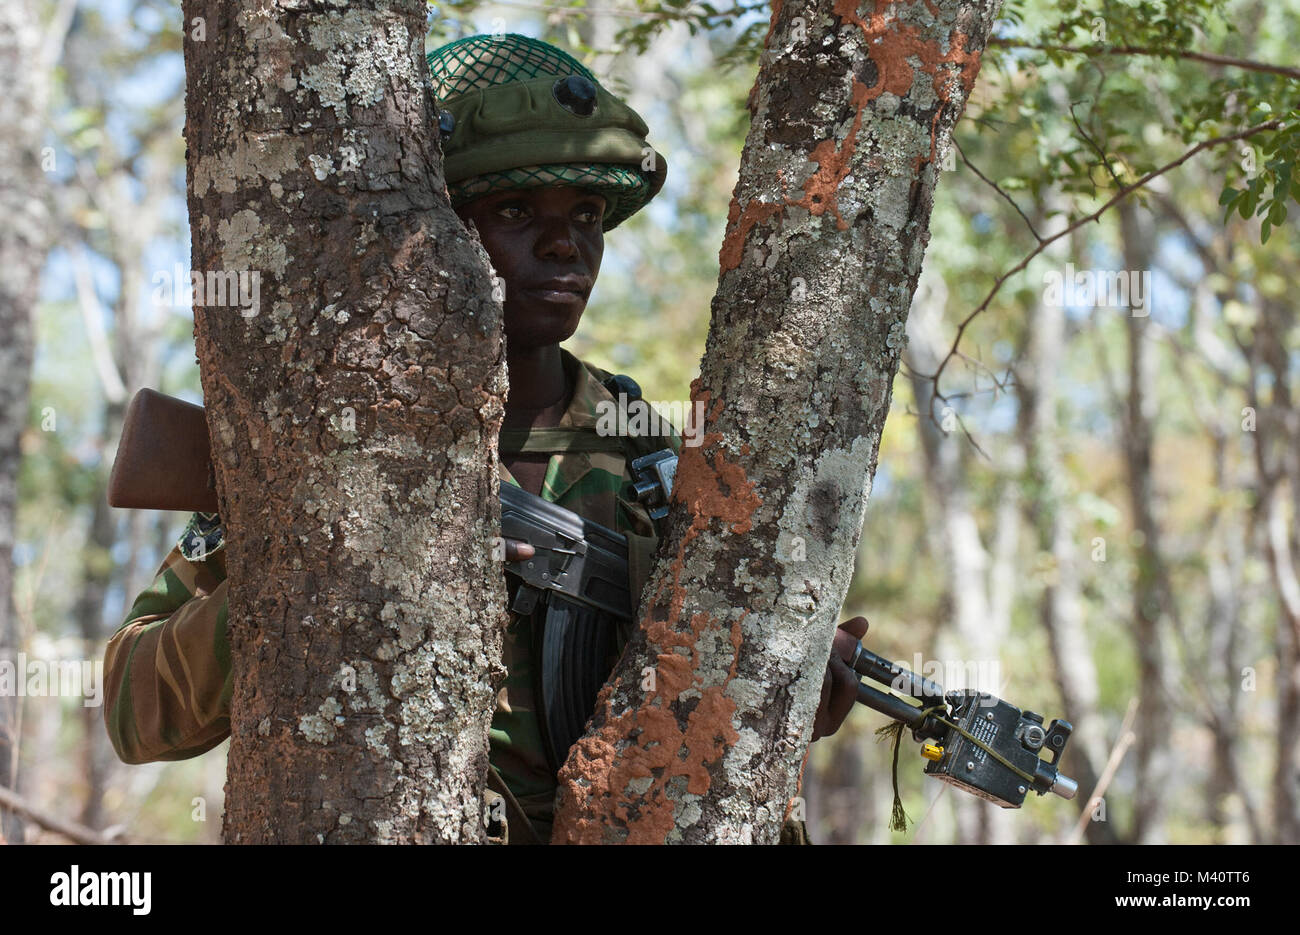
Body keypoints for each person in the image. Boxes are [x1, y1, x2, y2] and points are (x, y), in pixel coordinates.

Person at [103, 32, 867, 844]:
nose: (564, 244)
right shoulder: (330, 442)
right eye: (513, 210)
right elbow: (131, 703)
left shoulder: (650, 454)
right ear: (434, 230)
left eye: (586, 214)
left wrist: (778, 700)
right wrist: (318, 573)